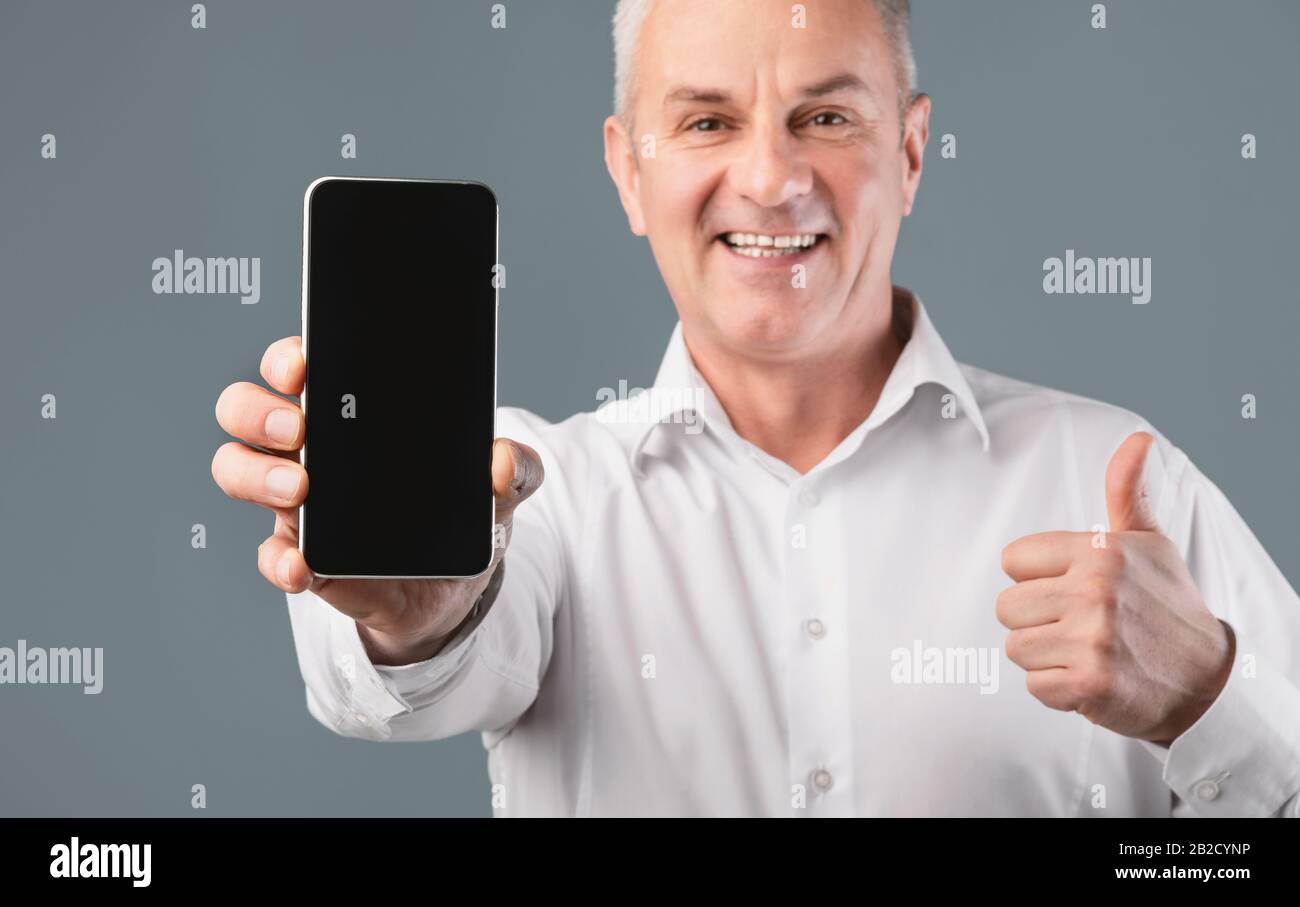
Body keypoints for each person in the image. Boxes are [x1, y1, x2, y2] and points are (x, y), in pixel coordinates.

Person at [211, 0, 1300, 816]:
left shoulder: (1119, 484)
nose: (772, 178)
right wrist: (415, 617)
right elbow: (418, 670)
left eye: (823, 115)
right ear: (627, 173)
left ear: (911, 151)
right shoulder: (533, 497)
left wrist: (1206, 704)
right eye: (705, 123)